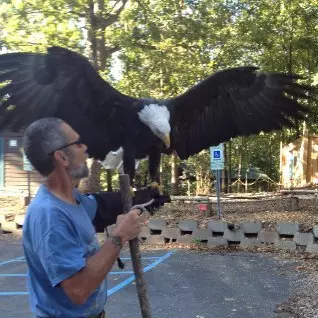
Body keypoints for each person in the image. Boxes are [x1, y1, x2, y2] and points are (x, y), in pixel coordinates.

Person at [22, 117, 166, 318]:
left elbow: (101, 207)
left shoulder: (72, 199)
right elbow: (78, 290)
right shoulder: (50, 217)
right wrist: (119, 236)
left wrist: (143, 198)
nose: (85, 147)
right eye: (78, 143)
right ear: (62, 158)